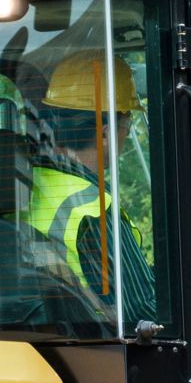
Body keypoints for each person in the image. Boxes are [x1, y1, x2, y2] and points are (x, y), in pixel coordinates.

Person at [26, 55, 155, 314]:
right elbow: (139, 314)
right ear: (105, 133)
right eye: (127, 126)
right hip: (98, 350)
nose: (127, 135)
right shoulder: (91, 208)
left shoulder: (22, 184)